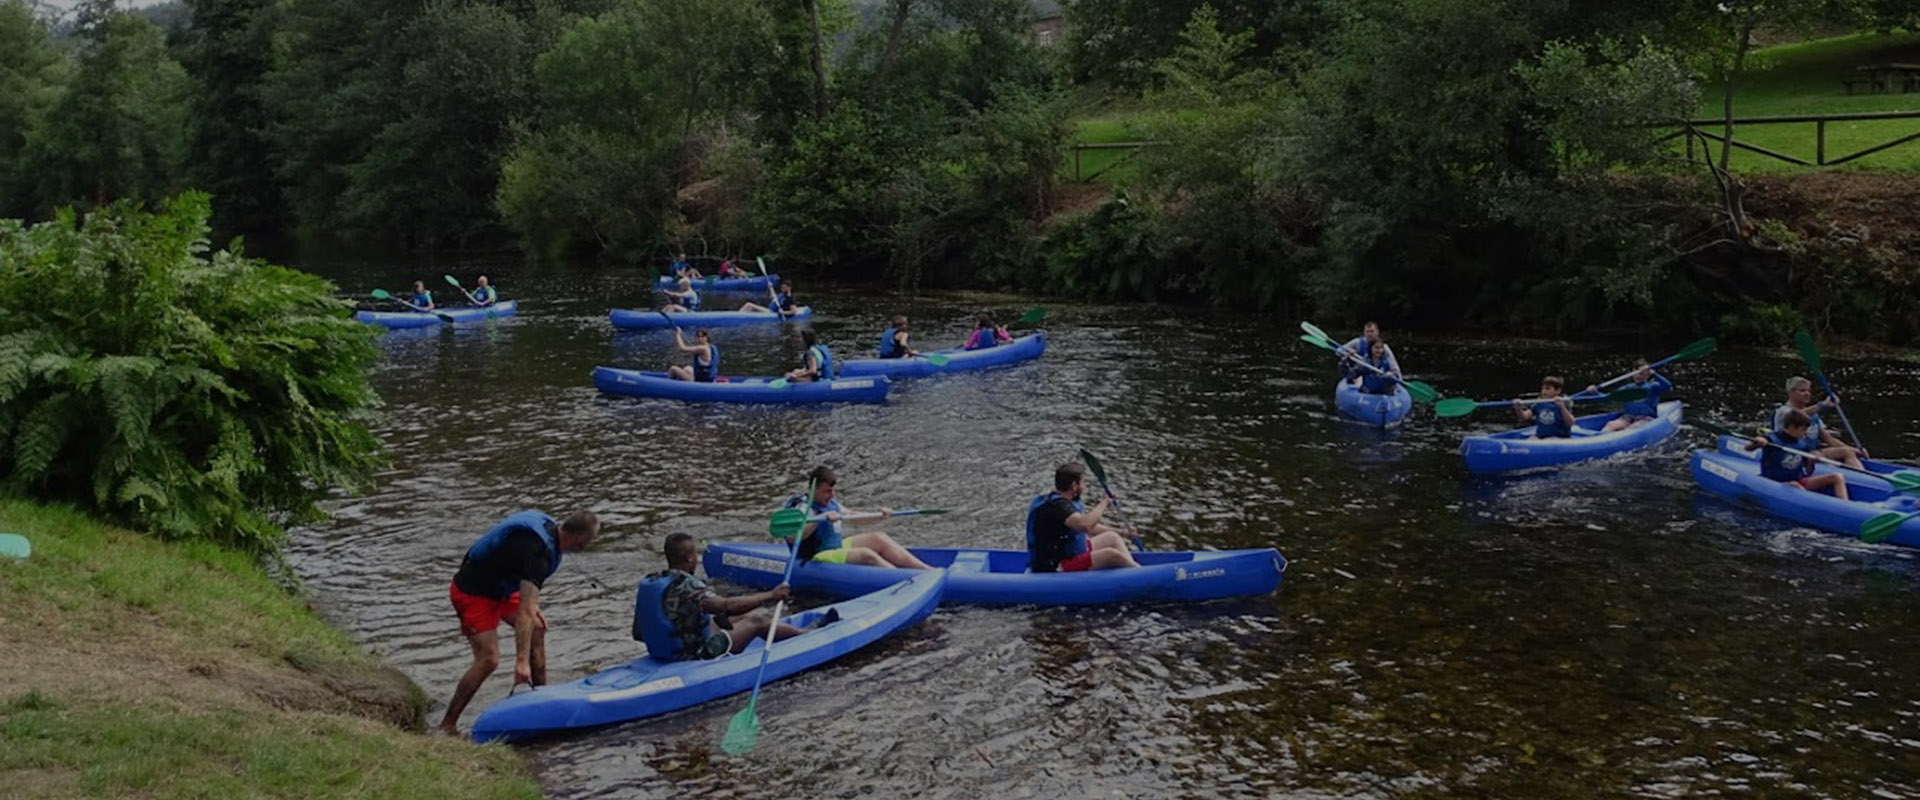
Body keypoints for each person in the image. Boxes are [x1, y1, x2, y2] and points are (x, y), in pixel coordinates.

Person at [439, 510, 600, 735]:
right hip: (473, 592)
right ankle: (447, 725)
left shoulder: (549, 530)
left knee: (538, 629)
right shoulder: (537, 553)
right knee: (488, 659)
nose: (589, 546)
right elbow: (525, 611)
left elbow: (526, 589)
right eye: (590, 541)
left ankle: (542, 700)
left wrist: (533, 606)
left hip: (501, 588)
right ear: (581, 540)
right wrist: (521, 662)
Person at [634, 533, 824, 661]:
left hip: (666, 652)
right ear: (689, 558)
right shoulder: (688, 585)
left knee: (740, 616)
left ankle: (793, 631)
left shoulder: (653, 581)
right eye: (695, 555)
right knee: (757, 620)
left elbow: (638, 633)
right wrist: (771, 595)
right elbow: (726, 605)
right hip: (697, 654)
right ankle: (805, 636)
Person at [787, 465, 933, 568]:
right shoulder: (802, 508)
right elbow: (792, 537)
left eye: (833, 491)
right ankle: (901, 578)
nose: (832, 495)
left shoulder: (831, 503)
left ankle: (926, 570)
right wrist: (819, 520)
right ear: (814, 490)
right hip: (816, 557)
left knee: (878, 538)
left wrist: (880, 515)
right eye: (827, 491)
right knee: (866, 554)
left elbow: (854, 519)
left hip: (835, 548)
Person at [1026, 463, 1139, 573]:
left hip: (1071, 553)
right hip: (1058, 565)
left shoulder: (1064, 501)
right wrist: (1104, 503)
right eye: (1083, 482)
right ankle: (1139, 575)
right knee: (1111, 555)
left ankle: (1133, 569)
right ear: (1074, 486)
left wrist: (1123, 533)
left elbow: (1089, 527)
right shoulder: (1057, 506)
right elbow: (1086, 525)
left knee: (1112, 537)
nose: (1085, 486)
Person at [1746, 408, 1848, 500]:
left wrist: (1812, 462)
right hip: (1775, 483)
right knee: (1795, 486)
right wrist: (1757, 443)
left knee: (1837, 477)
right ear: (1791, 427)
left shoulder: (1802, 443)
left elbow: (1808, 472)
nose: (1805, 434)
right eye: (1803, 430)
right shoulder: (1772, 439)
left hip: (1798, 480)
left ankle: (1845, 507)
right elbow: (1748, 448)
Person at [1774, 376, 1866, 469]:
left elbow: (1827, 438)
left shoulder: (1813, 415)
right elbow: (1796, 415)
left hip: (1813, 452)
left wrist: (1854, 450)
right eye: (1802, 391)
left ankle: (1863, 476)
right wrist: (1823, 404)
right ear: (1791, 393)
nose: (1807, 394)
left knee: (1848, 452)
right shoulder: (1783, 411)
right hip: (1792, 454)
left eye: (1808, 391)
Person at [1587, 360, 1671, 433]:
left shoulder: (1653, 387)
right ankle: (1601, 438)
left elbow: (1667, 386)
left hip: (1646, 418)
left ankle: (1620, 438)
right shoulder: (1626, 388)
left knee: (1633, 428)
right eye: (1636, 371)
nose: (1639, 373)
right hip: (1628, 417)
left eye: (1642, 372)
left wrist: (1654, 374)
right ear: (1632, 373)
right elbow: (1607, 398)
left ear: (1648, 374)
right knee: (1610, 425)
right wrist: (1595, 392)